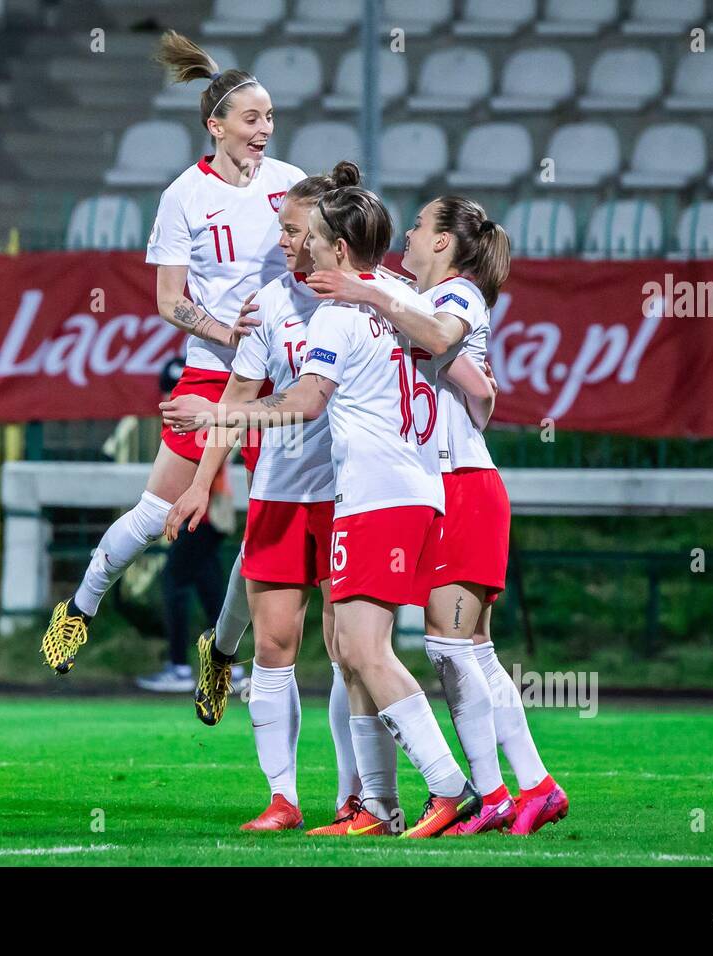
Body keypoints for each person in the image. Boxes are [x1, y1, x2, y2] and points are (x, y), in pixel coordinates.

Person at [163, 186, 482, 838]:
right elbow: (452, 346)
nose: (295, 244)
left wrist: (215, 413)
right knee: (346, 646)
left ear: (338, 247)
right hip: (409, 491)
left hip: (374, 497)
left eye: (307, 235)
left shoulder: (337, 313)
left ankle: (449, 789)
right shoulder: (404, 300)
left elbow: (306, 404)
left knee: (362, 649)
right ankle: (374, 807)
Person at [39, 30, 306, 676]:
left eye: (270, 117)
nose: (264, 128)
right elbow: (168, 300)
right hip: (213, 375)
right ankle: (79, 606)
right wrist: (232, 335)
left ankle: (219, 652)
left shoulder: (294, 185)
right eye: (252, 118)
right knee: (157, 512)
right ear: (215, 125)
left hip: (278, 384)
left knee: (263, 528)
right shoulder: (183, 196)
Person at [308, 197, 568, 835]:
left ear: (446, 243)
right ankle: (508, 791)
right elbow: (469, 378)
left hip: (463, 483)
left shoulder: (458, 296)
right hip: (442, 484)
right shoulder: (415, 293)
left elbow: (447, 341)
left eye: (422, 226)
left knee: (454, 647)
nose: (411, 234)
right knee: (464, 650)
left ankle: (512, 788)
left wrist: (367, 295)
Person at [165, 161, 375, 831]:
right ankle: (283, 797)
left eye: (291, 230)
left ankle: (355, 796)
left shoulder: (371, 300)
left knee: (348, 651)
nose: (280, 241)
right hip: (281, 495)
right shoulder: (270, 303)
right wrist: (200, 482)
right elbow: (237, 397)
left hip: (351, 497)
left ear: (327, 236)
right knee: (278, 646)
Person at [136, 358, 238, 693]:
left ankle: (179, 665)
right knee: (211, 589)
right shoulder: (208, 407)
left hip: (205, 510)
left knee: (175, 579)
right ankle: (228, 665)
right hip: (210, 509)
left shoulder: (199, 412)